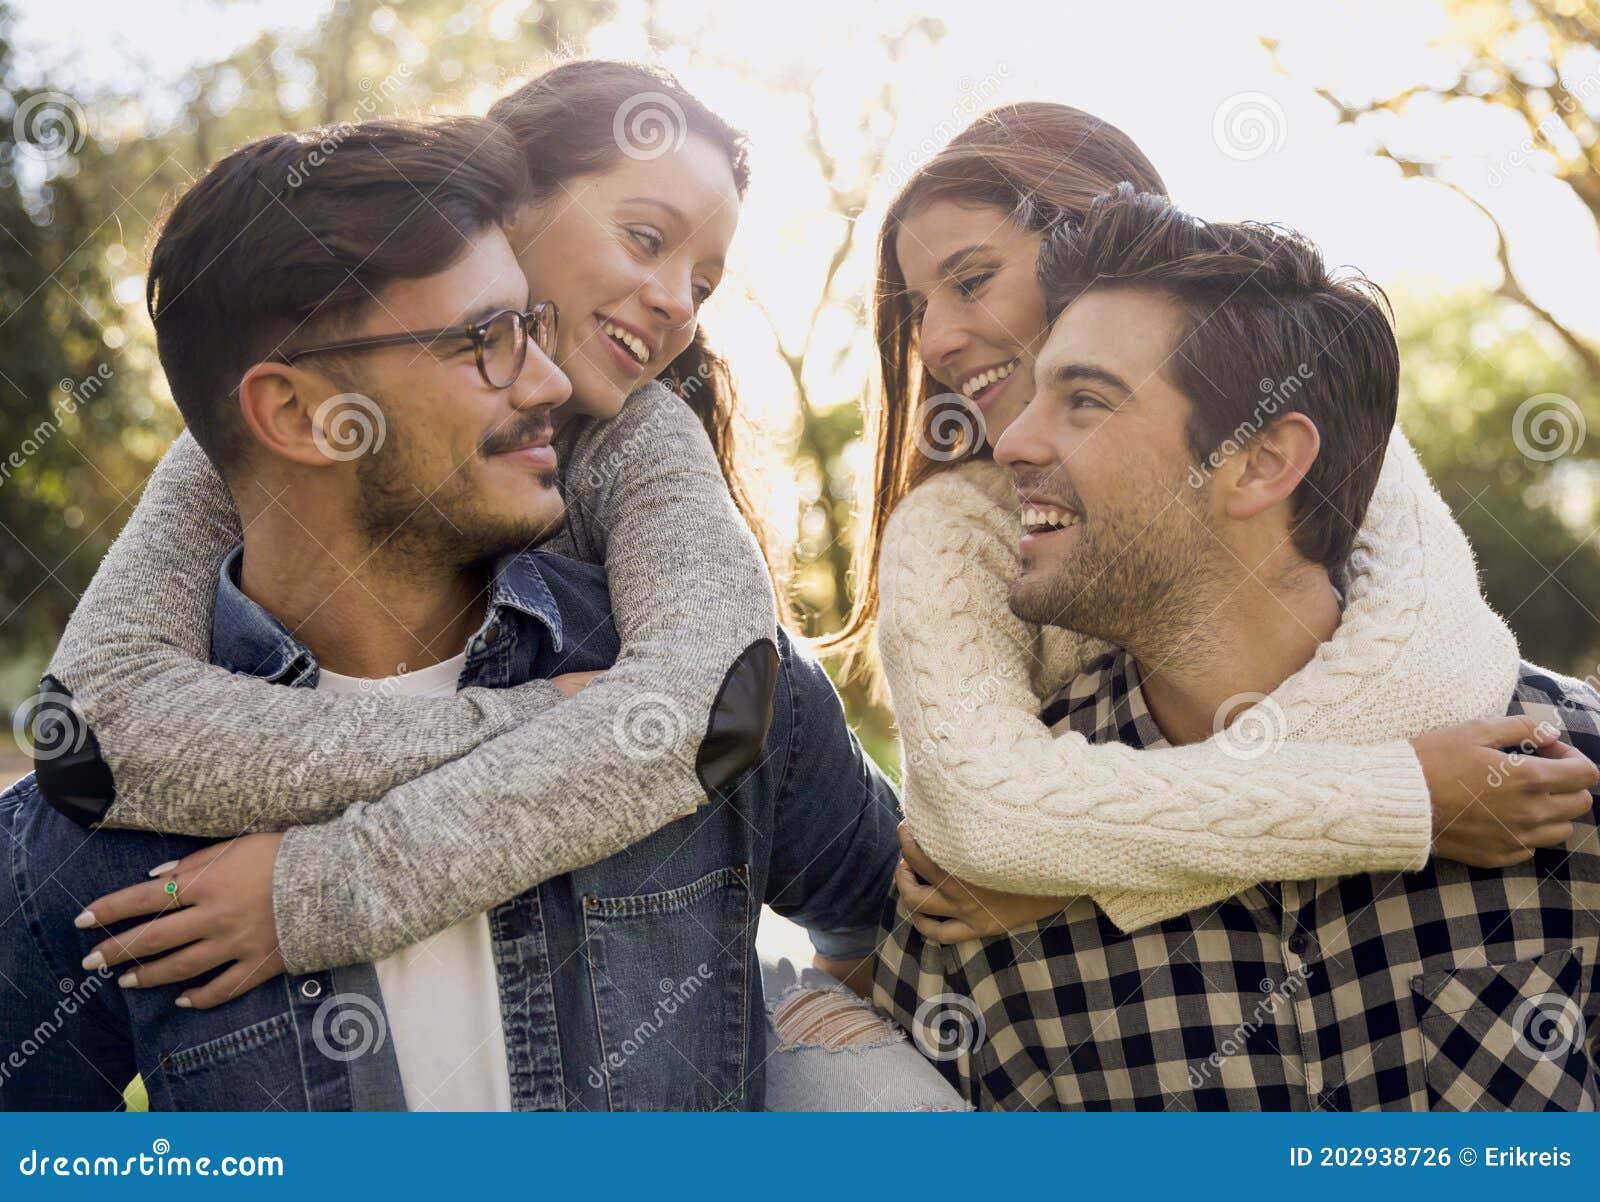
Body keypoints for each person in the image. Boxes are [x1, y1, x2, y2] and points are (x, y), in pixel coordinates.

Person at [0, 114, 959, 1113]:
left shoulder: (736, 684)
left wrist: (826, 1060)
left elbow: (928, 941)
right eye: (488, 340)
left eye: (533, 327)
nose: (551, 380)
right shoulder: (88, 840)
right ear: (296, 415)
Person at [876, 186, 1600, 1110]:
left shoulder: (1561, 780)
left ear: (1261, 463)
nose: (1009, 440)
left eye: (1086, 399)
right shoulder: (970, 907)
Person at [824, 102, 1588, 943]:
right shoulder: (947, 531)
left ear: (1090, 237)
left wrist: (1088, 875)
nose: (931, 340)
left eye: (971, 282)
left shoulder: (1282, 403)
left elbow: (1440, 669)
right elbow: (981, 812)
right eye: (915, 305)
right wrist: (1404, 799)